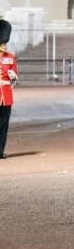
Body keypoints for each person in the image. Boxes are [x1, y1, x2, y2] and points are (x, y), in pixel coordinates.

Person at [0, 19, 18, 159]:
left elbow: (14, 77)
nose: (4, 45)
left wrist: (14, 77)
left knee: (4, 124)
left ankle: (0, 150)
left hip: (6, 95)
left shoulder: (11, 57)